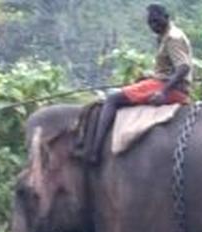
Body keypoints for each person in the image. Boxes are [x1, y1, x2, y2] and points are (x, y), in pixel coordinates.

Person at [77, 3, 193, 162]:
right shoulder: (164, 35)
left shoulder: (173, 37)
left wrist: (163, 91)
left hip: (172, 89)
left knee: (113, 99)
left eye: (157, 21)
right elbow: (168, 68)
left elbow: (183, 67)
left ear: (166, 17)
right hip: (160, 81)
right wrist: (149, 77)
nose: (154, 26)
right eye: (151, 23)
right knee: (124, 90)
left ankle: (95, 151)